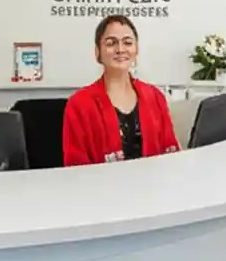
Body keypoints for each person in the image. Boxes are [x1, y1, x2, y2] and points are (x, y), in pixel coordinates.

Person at [62, 14, 181, 166]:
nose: (120, 49)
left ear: (136, 50)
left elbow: (171, 153)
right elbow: (75, 167)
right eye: (111, 43)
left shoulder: (155, 97)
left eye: (128, 43)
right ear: (98, 52)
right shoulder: (79, 104)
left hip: (154, 180)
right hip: (101, 181)